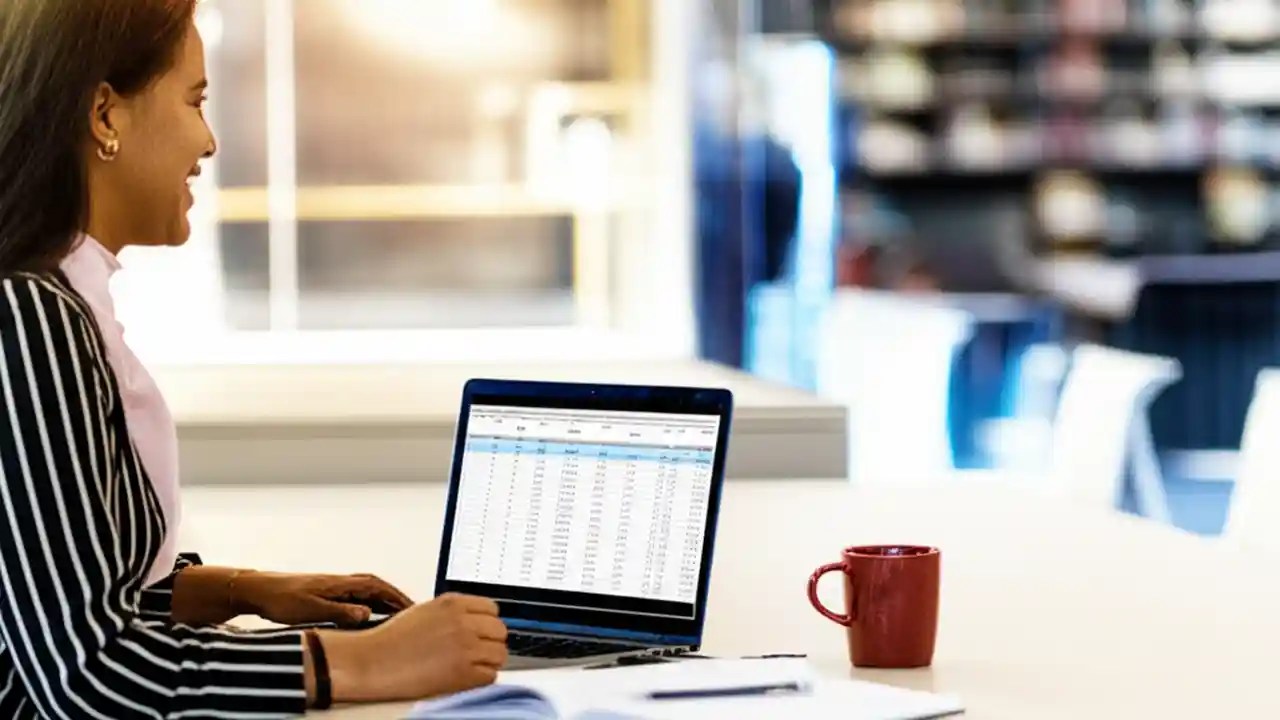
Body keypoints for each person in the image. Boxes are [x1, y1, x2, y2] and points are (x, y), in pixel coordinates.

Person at [0, 1, 507, 717]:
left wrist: (244, 590)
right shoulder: (29, 319)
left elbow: (51, 588)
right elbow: (85, 675)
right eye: (195, 101)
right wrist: (369, 659)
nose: (207, 142)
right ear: (105, 116)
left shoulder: (61, 305)